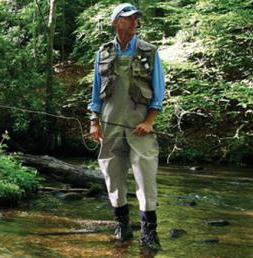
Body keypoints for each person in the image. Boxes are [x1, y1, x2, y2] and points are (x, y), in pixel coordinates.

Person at [87, 3, 165, 250]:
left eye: (135, 19)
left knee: (146, 179)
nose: (133, 23)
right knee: (113, 177)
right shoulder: (103, 53)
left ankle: (149, 233)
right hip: (109, 126)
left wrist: (149, 122)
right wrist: (93, 121)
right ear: (115, 22)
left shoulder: (149, 52)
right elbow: (95, 94)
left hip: (139, 126)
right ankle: (122, 225)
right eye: (128, 19)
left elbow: (158, 93)